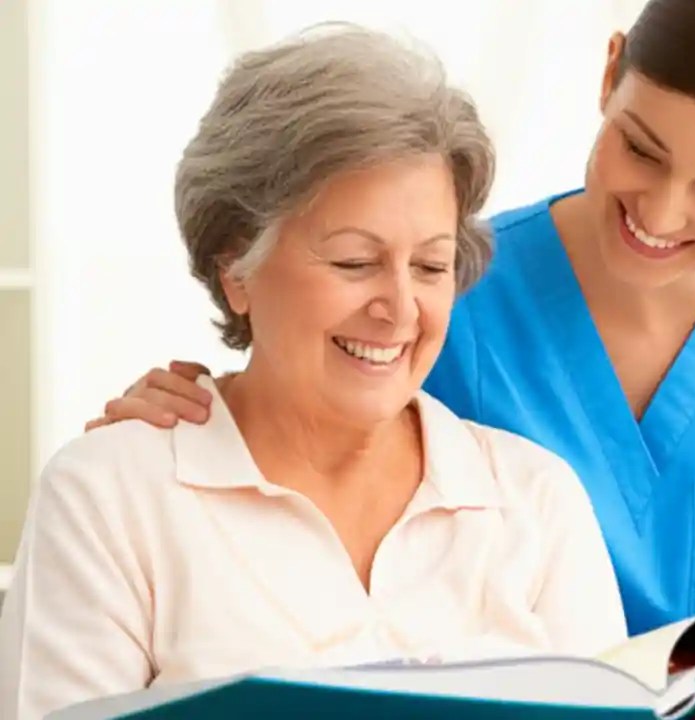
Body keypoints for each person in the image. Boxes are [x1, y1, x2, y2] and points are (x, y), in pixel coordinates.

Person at [87, 1, 695, 717]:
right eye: (641, 148)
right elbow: (318, 416)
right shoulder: (452, 285)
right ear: (609, 75)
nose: (661, 212)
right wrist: (193, 419)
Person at [0, 26, 631, 720]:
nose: (399, 310)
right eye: (355, 262)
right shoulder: (110, 499)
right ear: (236, 270)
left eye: (429, 266)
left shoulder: (536, 504)